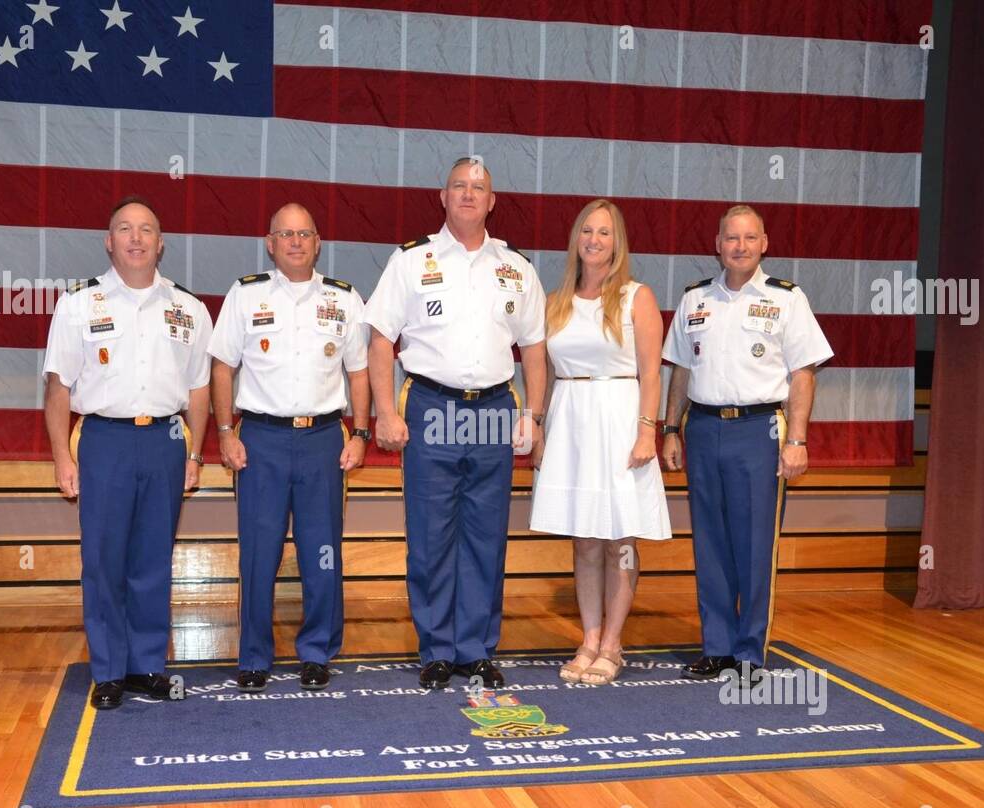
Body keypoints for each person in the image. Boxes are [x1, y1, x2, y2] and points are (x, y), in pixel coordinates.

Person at [365, 157, 548, 690]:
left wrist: (531, 414)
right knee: (431, 536)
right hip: (431, 407)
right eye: (459, 186)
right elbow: (381, 339)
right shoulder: (411, 260)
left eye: (480, 188)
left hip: (493, 408)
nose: (469, 195)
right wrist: (385, 410)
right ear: (441, 196)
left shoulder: (517, 267)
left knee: (486, 536)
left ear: (493, 201)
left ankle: (476, 648)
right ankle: (437, 648)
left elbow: (534, 347)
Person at [43, 196, 212, 710]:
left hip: (165, 441)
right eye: (124, 229)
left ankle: (147, 666)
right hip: (105, 442)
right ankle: (110, 670)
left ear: (161, 244)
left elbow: (200, 389)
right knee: (103, 560)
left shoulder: (189, 308)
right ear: (109, 241)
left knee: (153, 560)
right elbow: (57, 389)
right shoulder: (78, 305)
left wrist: (195, 455)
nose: (136, 238)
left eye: (146, 230)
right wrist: (61, 459)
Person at [659, 204, 833, 680]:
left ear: (764, 244)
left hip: (760, 432)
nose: (740, 247)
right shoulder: (696, 300)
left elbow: (803, 373)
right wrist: (670, 428)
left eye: (749, 238)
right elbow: (680, 369)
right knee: (710, 542)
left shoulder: (786, 299)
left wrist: (796, 439)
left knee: (756, 544)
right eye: (731, 238)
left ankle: (749, 652)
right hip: (703, 427)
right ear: (718, 245)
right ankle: (716, 645)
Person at [208, 204, 370, 692]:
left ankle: (317, 651)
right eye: (286, 234)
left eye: (304, 234)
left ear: (317, 242)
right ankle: (255, 656)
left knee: (323, 551)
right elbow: (221, 366)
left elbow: (359, 371)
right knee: (259, 553)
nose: (296, 242)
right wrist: (224, 431)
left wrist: (360, 434)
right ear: (270, 242)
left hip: (323, 439)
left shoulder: (344, 299)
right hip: (261, 440)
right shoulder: (245, 294)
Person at [529, 199, 671, 684]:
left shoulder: (637, 296)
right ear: (576, 238)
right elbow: (545, 375)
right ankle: (589, 638)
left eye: (604, 232)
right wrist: (541, 429)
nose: (594, 239)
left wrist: (647, 430)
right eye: (587, 230)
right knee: (586, 539)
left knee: (621, 540)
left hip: (621, 420)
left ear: (618, 242)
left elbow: (652, 372)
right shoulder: (556, 302)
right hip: (572, 421)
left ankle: (613, 643)